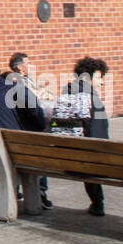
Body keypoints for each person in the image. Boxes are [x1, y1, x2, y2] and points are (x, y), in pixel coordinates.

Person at [0, 64, 47, 202]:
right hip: (9, 147)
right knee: (36, 152)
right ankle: (40, 194)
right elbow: (36, 114)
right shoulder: (15, 90)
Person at [50, 56, 110, 216]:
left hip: (63, 159)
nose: (102, 82)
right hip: (87, 162)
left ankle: (96, 202)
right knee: (94, 155)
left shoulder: (63, 96)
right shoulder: (92, 100)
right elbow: (101, 137)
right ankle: (98, 203)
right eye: (99, 77)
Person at [9, 51, 53, 208]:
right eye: (28, 63)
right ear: (20, 67)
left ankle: (16, 190)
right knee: (38, 155)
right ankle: (41, 191)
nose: (31, 66)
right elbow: (34, 104)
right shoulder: (18, 83)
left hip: (13, 131)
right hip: (27, 130)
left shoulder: (16, 81)